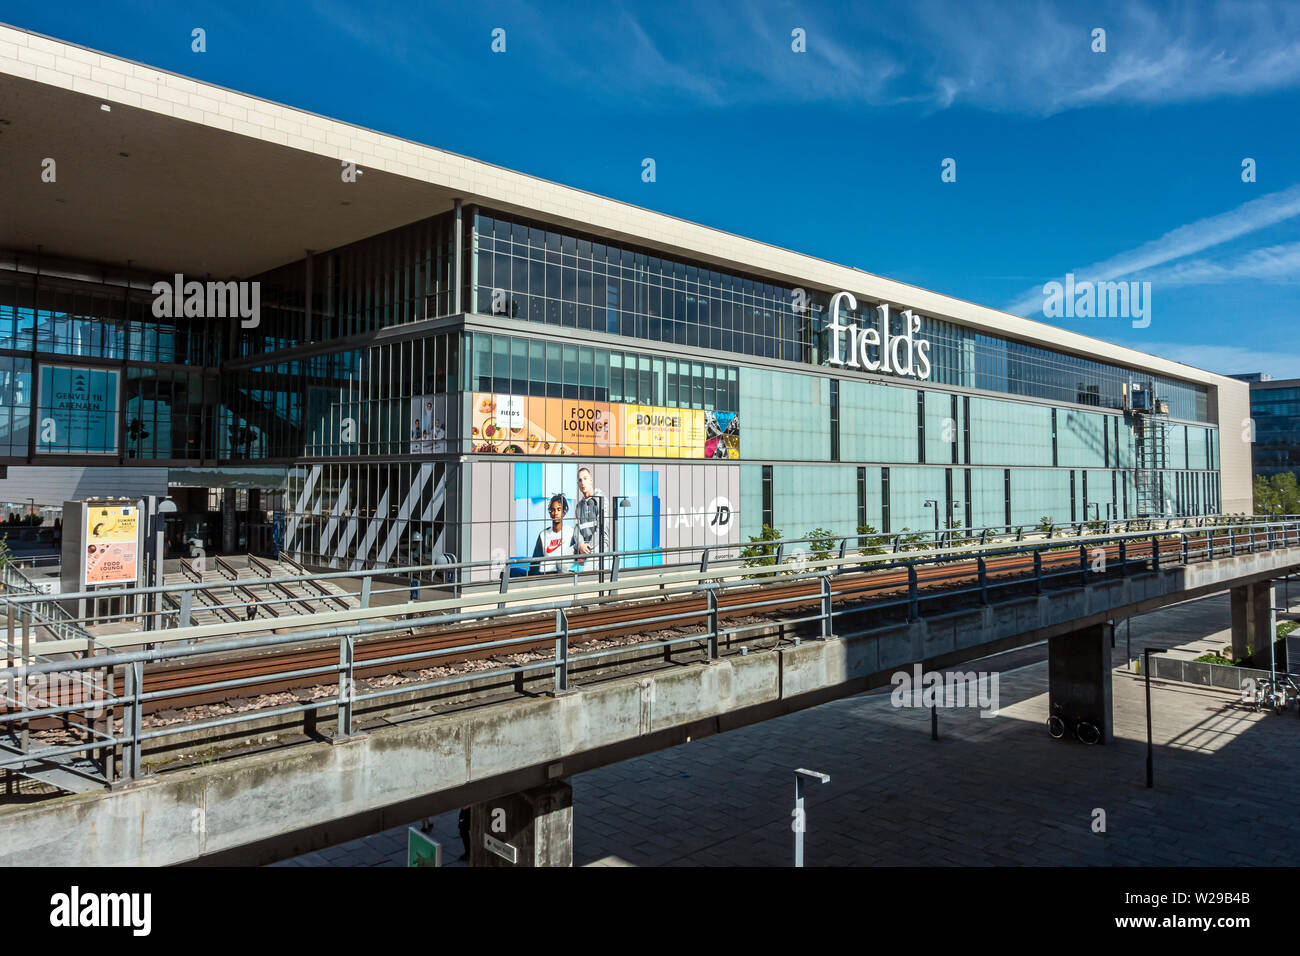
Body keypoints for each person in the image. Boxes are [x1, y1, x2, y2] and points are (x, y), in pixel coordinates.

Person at [571, 466, 605, 568]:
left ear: (591, 480)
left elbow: (602, 530)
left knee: (586, 572)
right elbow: (577, 528)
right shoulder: (579, 506)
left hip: (596, 547)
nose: (582, 483)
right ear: (578, 484)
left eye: (585, 479)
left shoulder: (601, 500)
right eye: (580, 480)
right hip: (583, 549)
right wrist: (581, 544)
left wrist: (587, 549)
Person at [531, 494, 574, 574]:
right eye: (553, 510)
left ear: (564, 513)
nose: (555, 513)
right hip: (543, 574)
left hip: (561, 573)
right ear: (550, 513)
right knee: (513, 571)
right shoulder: (543, 535)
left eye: (559, 509)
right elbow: (535, 562)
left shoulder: (571, 532)